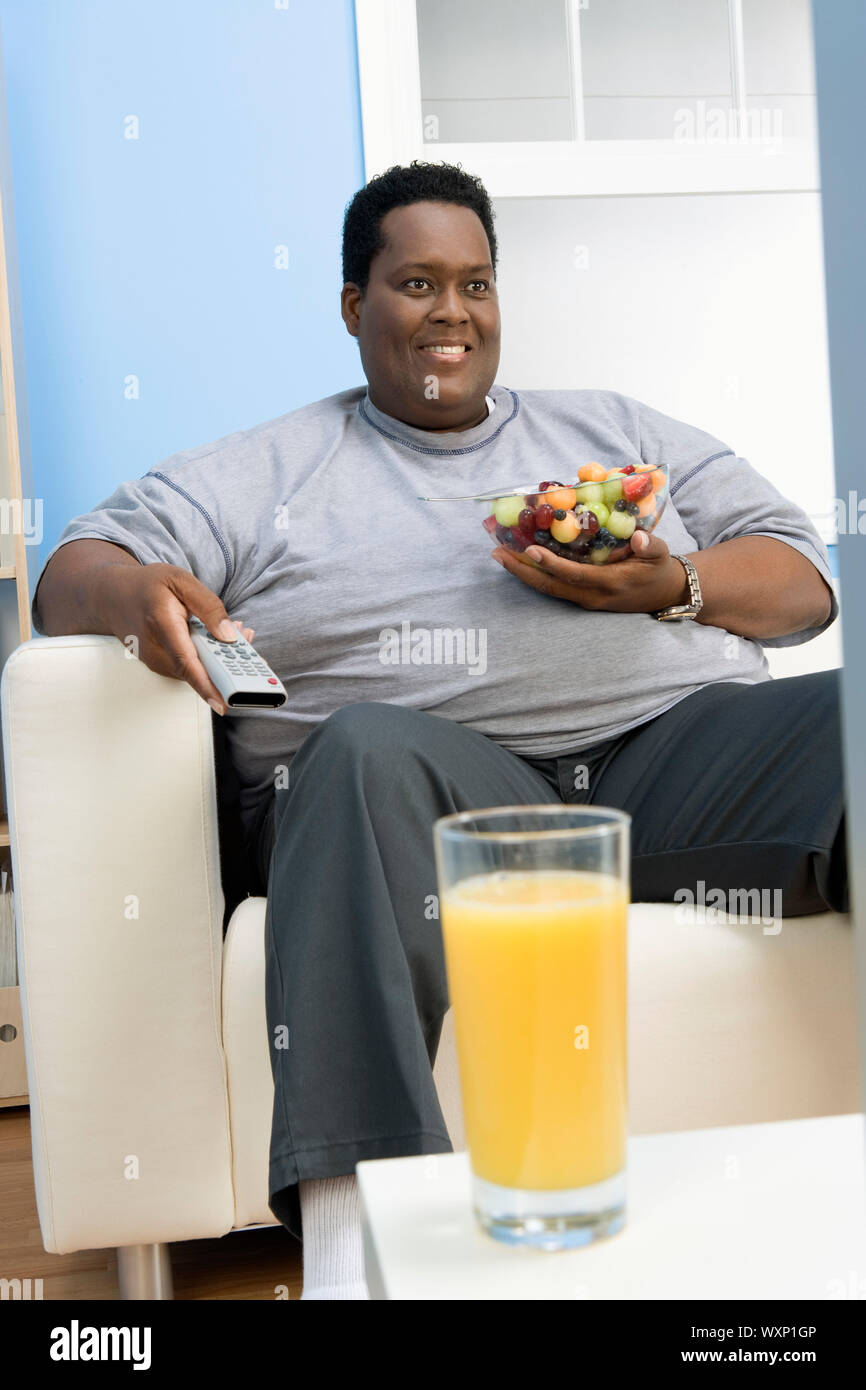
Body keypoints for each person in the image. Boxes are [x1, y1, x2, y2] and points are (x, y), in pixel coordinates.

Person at [32, 161, 843, 1300]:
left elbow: (803, 581)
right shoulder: (263, 469)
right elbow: (71, 569)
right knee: (359, 746)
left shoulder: (610, 432)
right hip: (426, 798)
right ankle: (353, 1256)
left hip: (662, 759)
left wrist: (671, 584)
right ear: (354, 306)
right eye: (414, 282)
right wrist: (136, 598)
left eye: (474, 283)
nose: (451, 311)